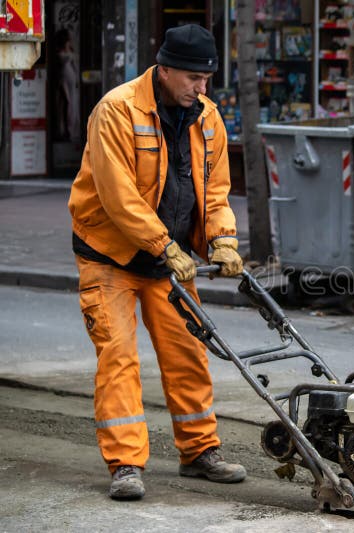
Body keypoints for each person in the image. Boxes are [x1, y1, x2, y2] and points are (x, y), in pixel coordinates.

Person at [68, 23, 245, 501]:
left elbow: (214, 193)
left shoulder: (206, 118)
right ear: (164, 70)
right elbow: (117, 194)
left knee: (187, 353)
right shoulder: (117, 110)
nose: (202, 89)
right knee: (119, 356)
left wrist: (222, 241)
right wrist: (163, 244)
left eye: (207, 79)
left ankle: (199, 451)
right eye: (192, 78)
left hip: (169, 260)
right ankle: (126, 464)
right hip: (111, 255)